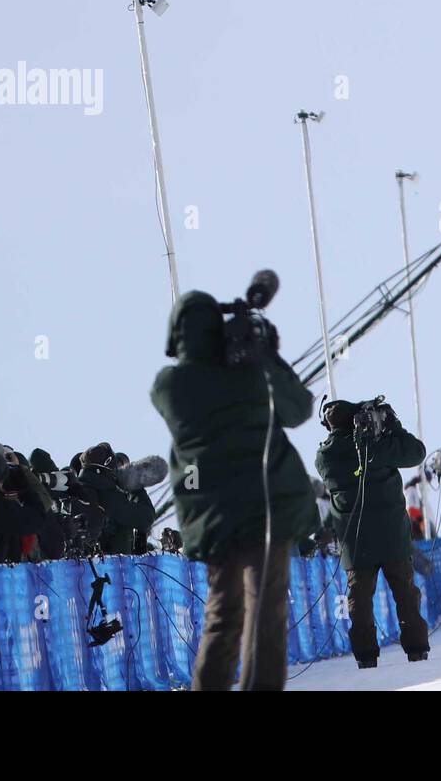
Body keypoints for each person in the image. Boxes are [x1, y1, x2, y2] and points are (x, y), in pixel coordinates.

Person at [150, 290, 318, 691]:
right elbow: (298, 409)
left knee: (223, 616)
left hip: (211, 518)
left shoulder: (168, 385)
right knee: (265, 613)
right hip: (266, 509)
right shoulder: (248, 374)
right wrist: (265, 353)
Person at [315, 399, 430, 668]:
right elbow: (416, 452)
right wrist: (393, 426)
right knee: (405, 595)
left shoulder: (324, 457)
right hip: (391, 536)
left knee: (360, 601)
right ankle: (417, 650)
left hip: (355, 543)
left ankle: (366, 657)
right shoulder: (374, 447)